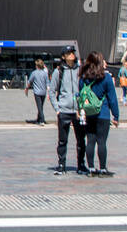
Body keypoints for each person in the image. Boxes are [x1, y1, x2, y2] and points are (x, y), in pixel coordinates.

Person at [78, 51, 120, 176]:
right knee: (102, 141)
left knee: (90, 140)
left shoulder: (83, 77)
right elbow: (112, 98)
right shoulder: (106, 77)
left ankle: (91, 168)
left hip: (89, 113)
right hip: (103, 113)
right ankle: (102, 168)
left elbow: (80, 94)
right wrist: (116, 115)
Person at [49, 48, 84, 176]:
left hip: (78, 110)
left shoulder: (79, 70)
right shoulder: (59, 72)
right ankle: (61, 164)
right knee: (62, 140)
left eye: (73, 53)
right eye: (69, 53)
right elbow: (52, 91)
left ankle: (81, 164)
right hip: (64, 109)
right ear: (63, 56)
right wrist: (57, 109)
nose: (72, 55)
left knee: (81, 140)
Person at [25, 58, 49, 124]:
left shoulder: (34, 73)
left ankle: (42, 120)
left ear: (37, 66)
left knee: (39, 107)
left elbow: (30, 82)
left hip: (37, 92)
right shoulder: (45, 73)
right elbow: (48, 83)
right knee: (41, 106)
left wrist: (26, 88)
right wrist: (49, 93)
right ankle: (38, 119)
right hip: (43, 92)